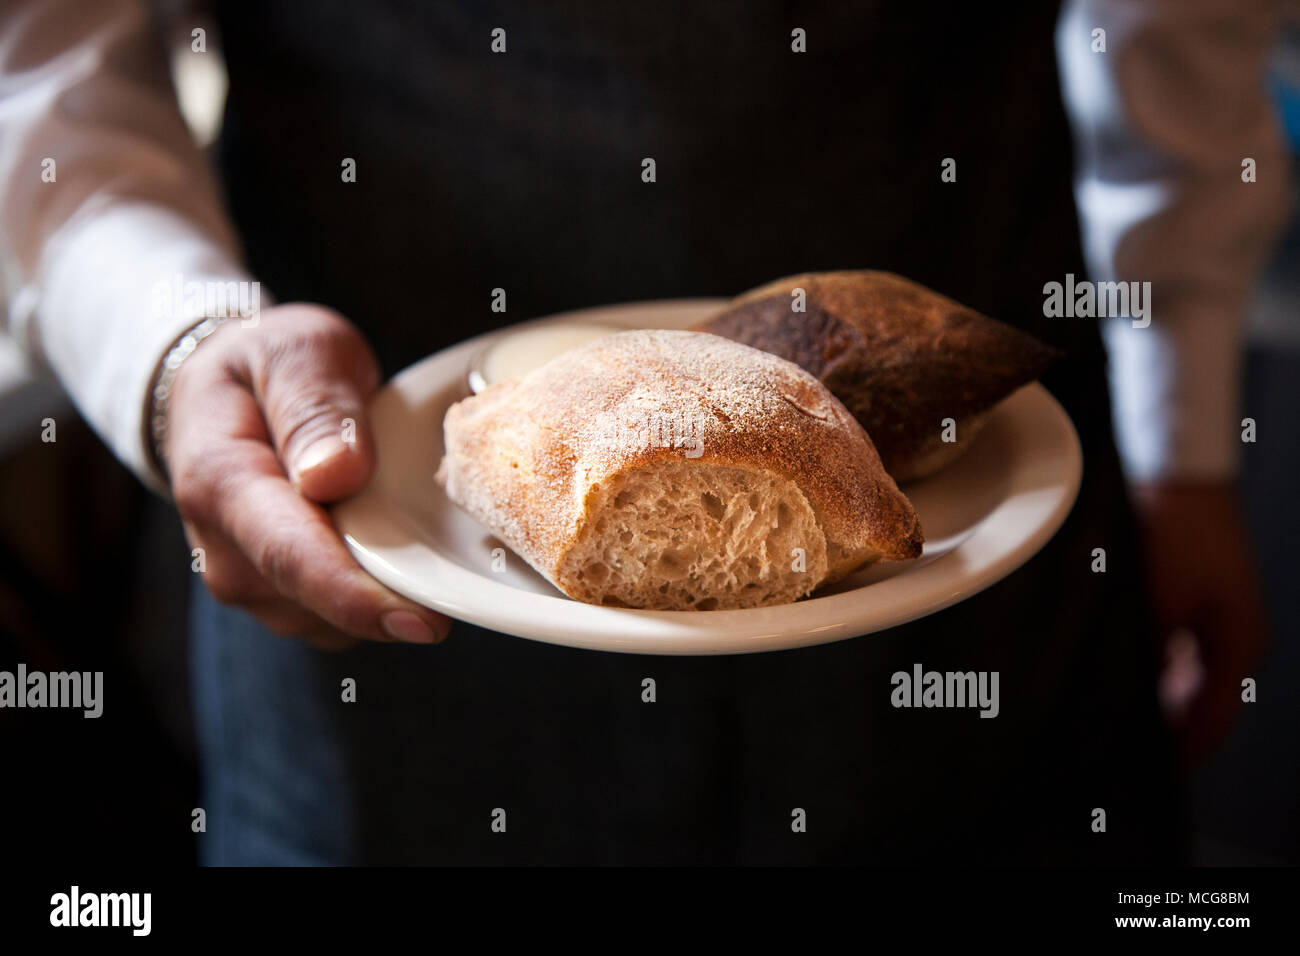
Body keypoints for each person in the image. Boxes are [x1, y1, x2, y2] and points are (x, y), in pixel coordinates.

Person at [0, 0, 1286, 864]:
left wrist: (1181, 430)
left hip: (980, 551)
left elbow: (1169, 22)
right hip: (377, 565)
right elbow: (50, 74)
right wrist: (180, 345)